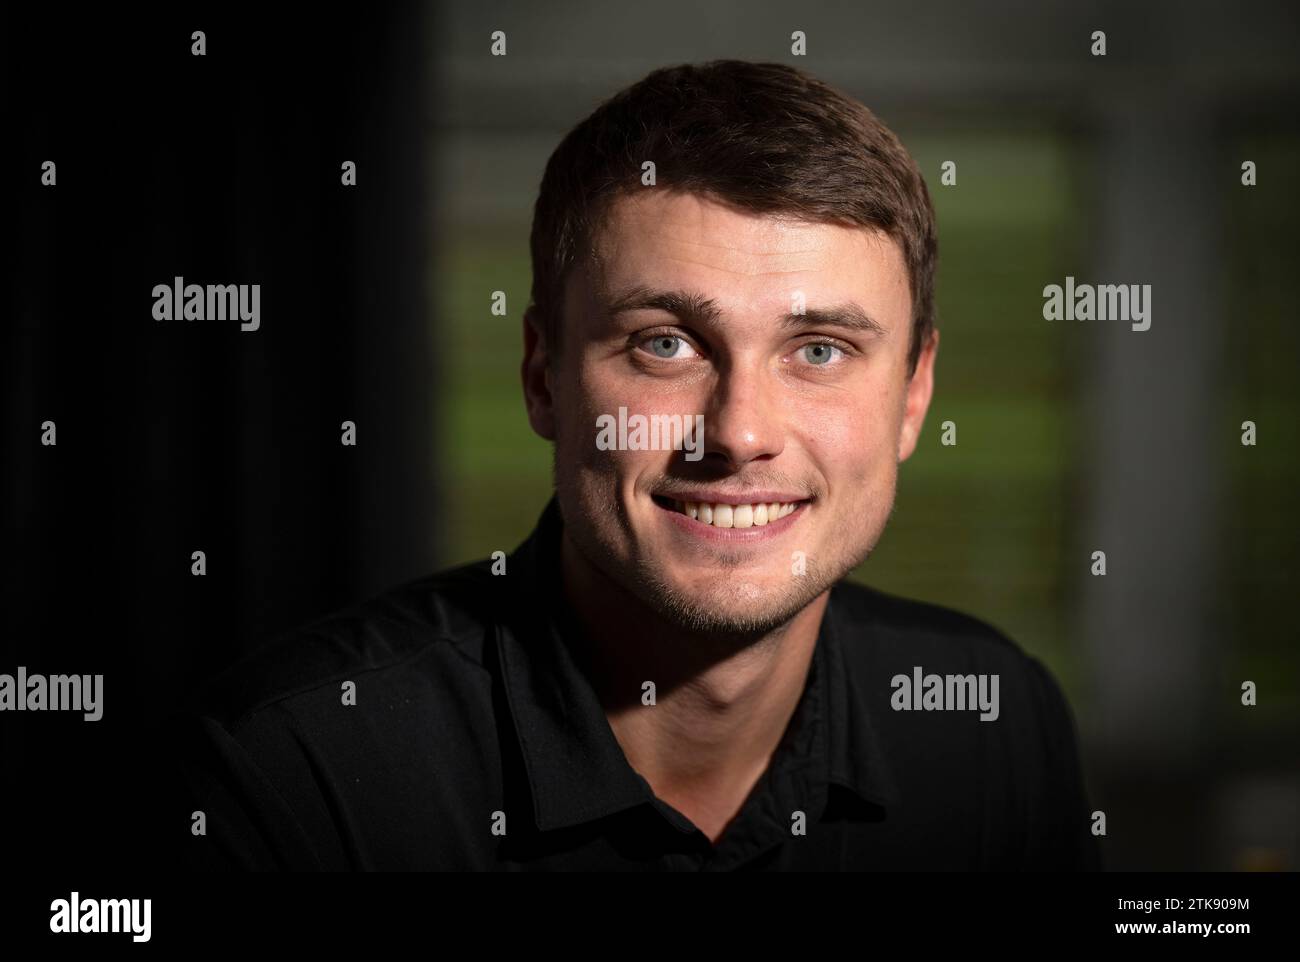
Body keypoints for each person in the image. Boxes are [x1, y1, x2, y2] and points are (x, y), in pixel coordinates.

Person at [168, 59, 1100, 871]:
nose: (739, 434)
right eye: (665, 344)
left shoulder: (996, 726)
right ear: (543, 378)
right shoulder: (290, 774)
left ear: (911, 396)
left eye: (818, 350)